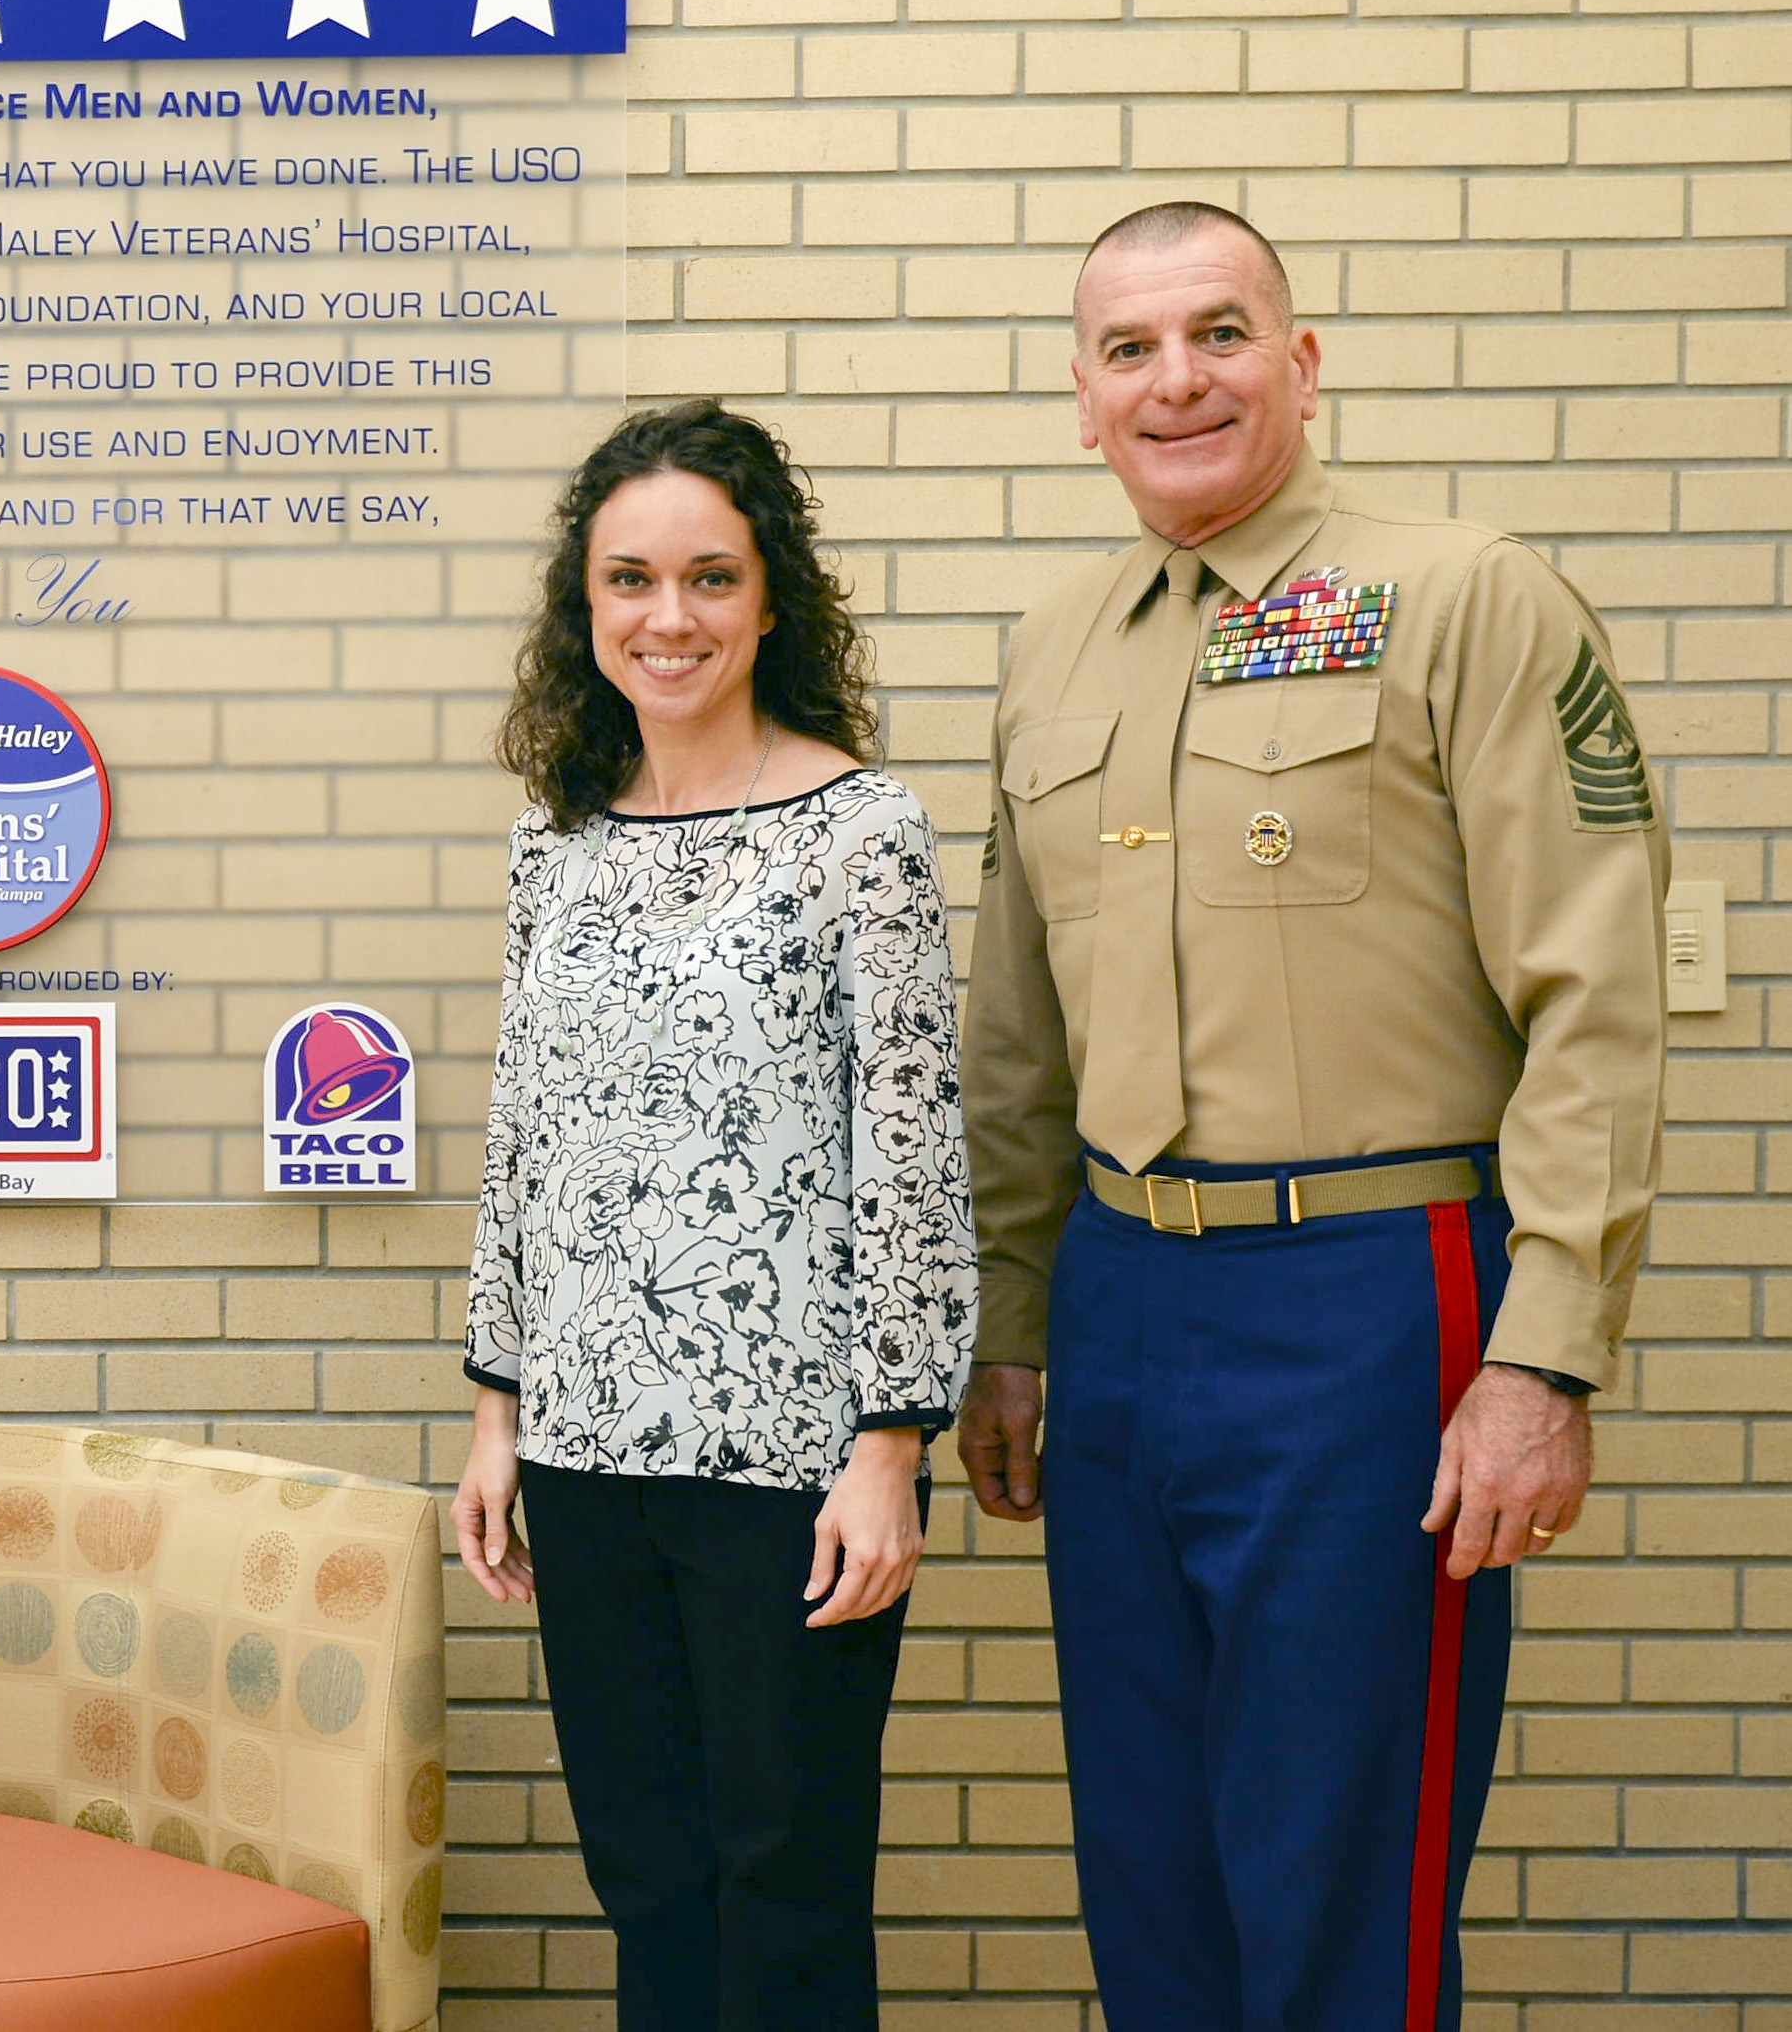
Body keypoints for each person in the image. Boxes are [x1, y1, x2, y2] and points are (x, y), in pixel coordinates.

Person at [957, 202, 1668, 2031]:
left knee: (1337, 1866)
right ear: (1079, 398)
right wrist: (1016, 1327)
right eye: (1127, 350)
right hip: (1118, 1306)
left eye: (1215, 332)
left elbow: (1591, 995)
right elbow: (1016, 1037)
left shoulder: (1462, 593)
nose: (1173, 379)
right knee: (1150, 1859)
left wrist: (1546, 1353)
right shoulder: (1054, 645)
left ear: (1299, 358)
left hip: (1374, 1305)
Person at [454, 399, 978, 2026]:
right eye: (628, 581)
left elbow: (911, 1148)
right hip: (585, 1451)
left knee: (787, 1879)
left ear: (768, 600)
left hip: (790, 1468)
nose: (664, 619)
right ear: (584, 607)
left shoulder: (859, 832)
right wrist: (496, 1409)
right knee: (649, 1879)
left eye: (705, 578)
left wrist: (889, 1445)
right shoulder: (556, 841)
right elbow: (522, 1133)